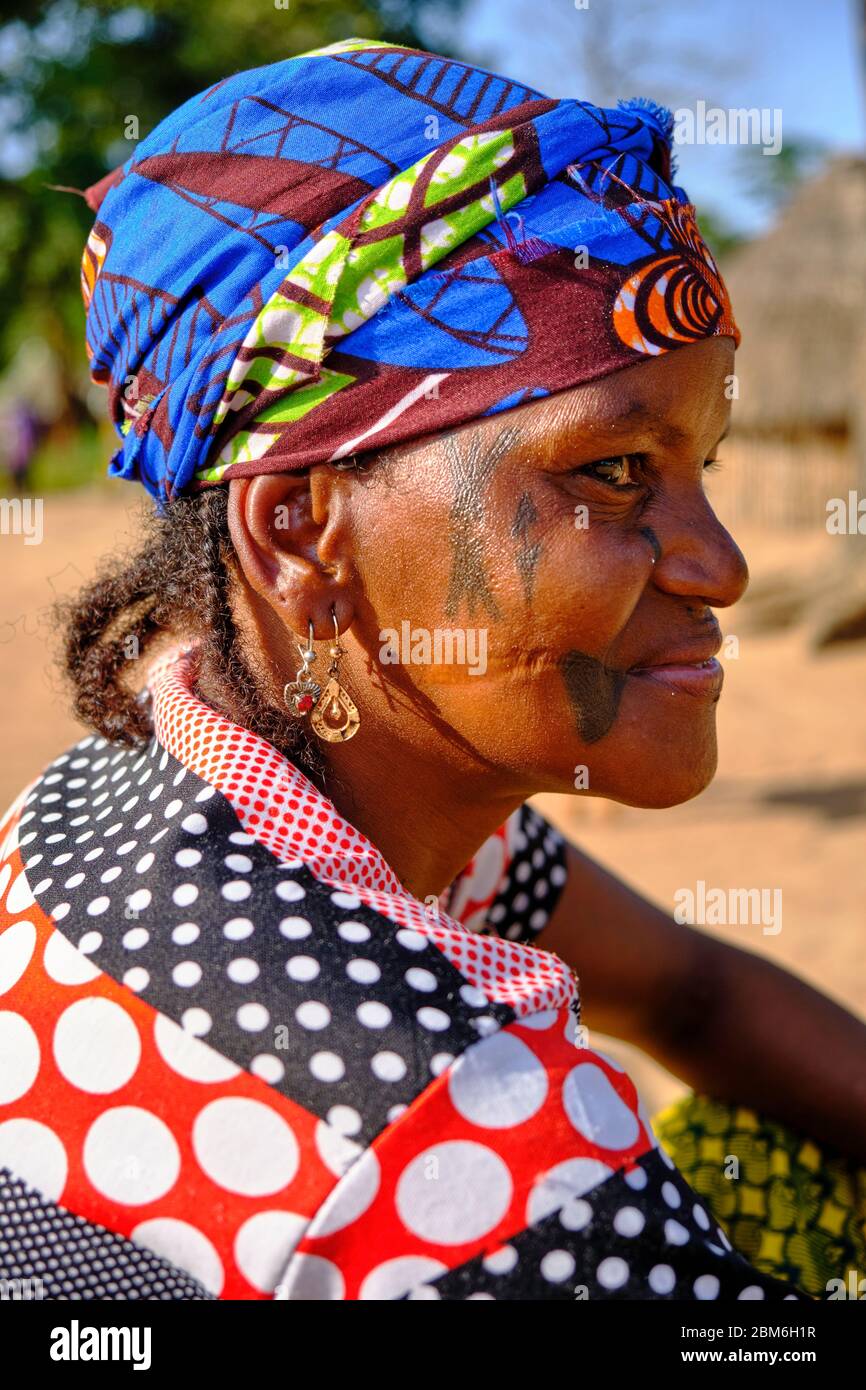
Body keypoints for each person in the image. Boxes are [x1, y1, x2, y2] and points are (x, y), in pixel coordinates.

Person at [0, 37, 863, 1302]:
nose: (722, 568)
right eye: (612, 472)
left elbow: (691, 988)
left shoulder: (120, 792)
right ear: (298, 527)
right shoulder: (477, 1162)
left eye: (702, 468)